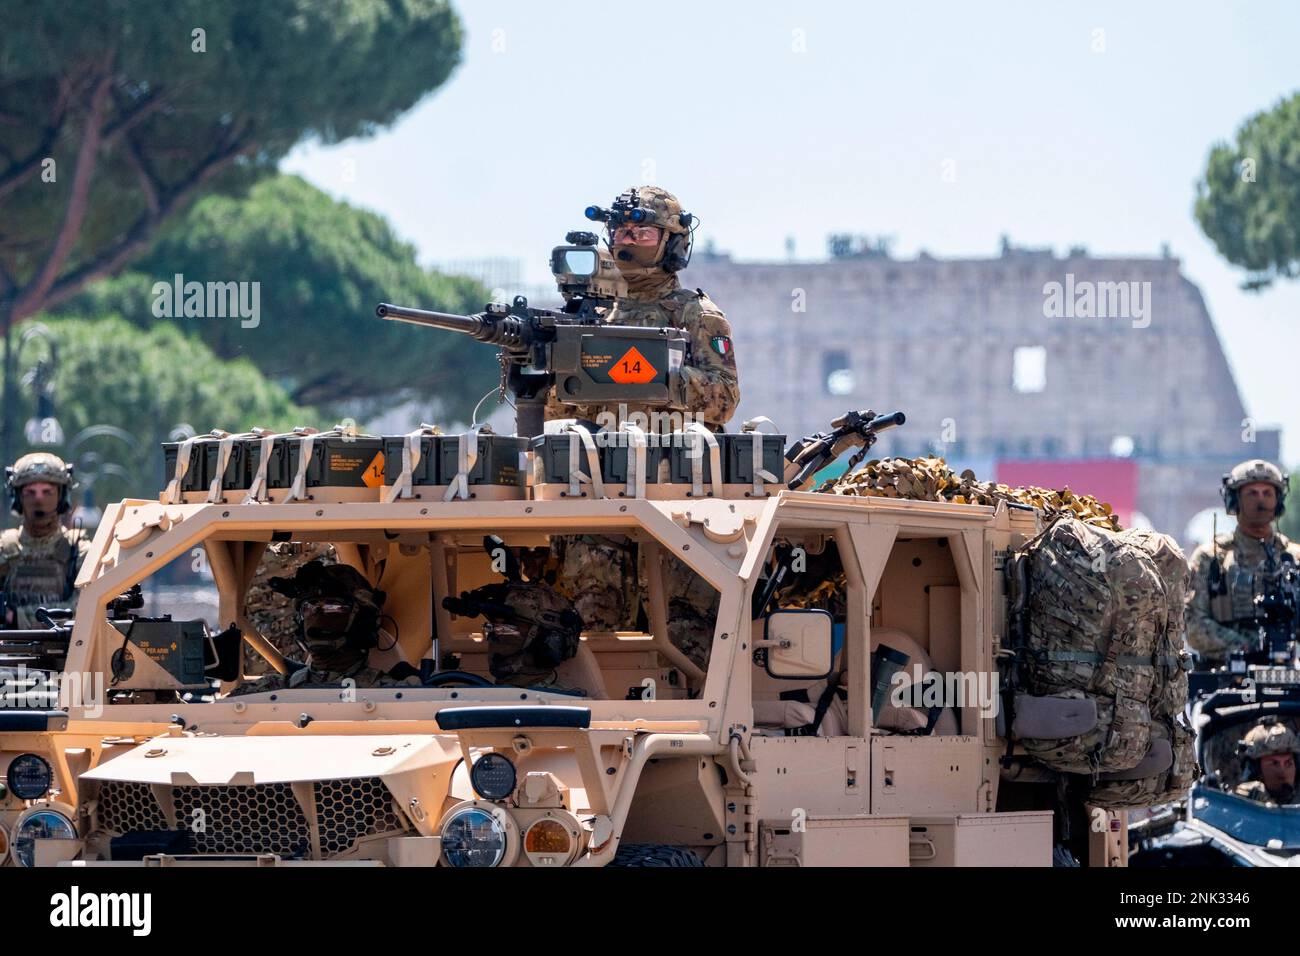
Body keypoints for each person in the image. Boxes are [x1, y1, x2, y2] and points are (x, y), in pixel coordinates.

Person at [548, 187, 739, 671]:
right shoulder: (590, 316)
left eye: (642, 231)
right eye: (621, 232)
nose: (628, 241)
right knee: (593, 635)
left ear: (671, 244)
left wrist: (655, 377)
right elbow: (555, 418)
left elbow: (725, 398)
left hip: (679, 500)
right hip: (598, 503)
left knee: (685, 640)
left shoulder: (695, 314)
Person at [229, 559, 418, 695]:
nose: (317, 615)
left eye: (333, 607)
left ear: (362, 621)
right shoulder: (267, 691)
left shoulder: (398, 693)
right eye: (309, 608)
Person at [1186, 459, 1300, 668]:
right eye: (1252, 493)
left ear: (1279, 500)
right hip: (1223, 675)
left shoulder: (1294, 558)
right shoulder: (1210, 558)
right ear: (1234, 500)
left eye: (1267, 493)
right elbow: (1194, 625)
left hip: (1287, 674)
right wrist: (1247, 644)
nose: (1261, 501)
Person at [1, 452, 89, 629]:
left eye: (47, 492)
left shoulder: (79, 550)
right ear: (18, 498)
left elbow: (85, 608)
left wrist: (16, 617)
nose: (39, 500)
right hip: (10, 652)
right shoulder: (4, 548)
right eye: (30, 492)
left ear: (61, 496)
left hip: (69, 654)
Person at [1234, 720, 1298, 804]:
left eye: (1288, 763)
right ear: (1256, 770)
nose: (1282, 772)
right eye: (1274, 763)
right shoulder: (1238, 805)